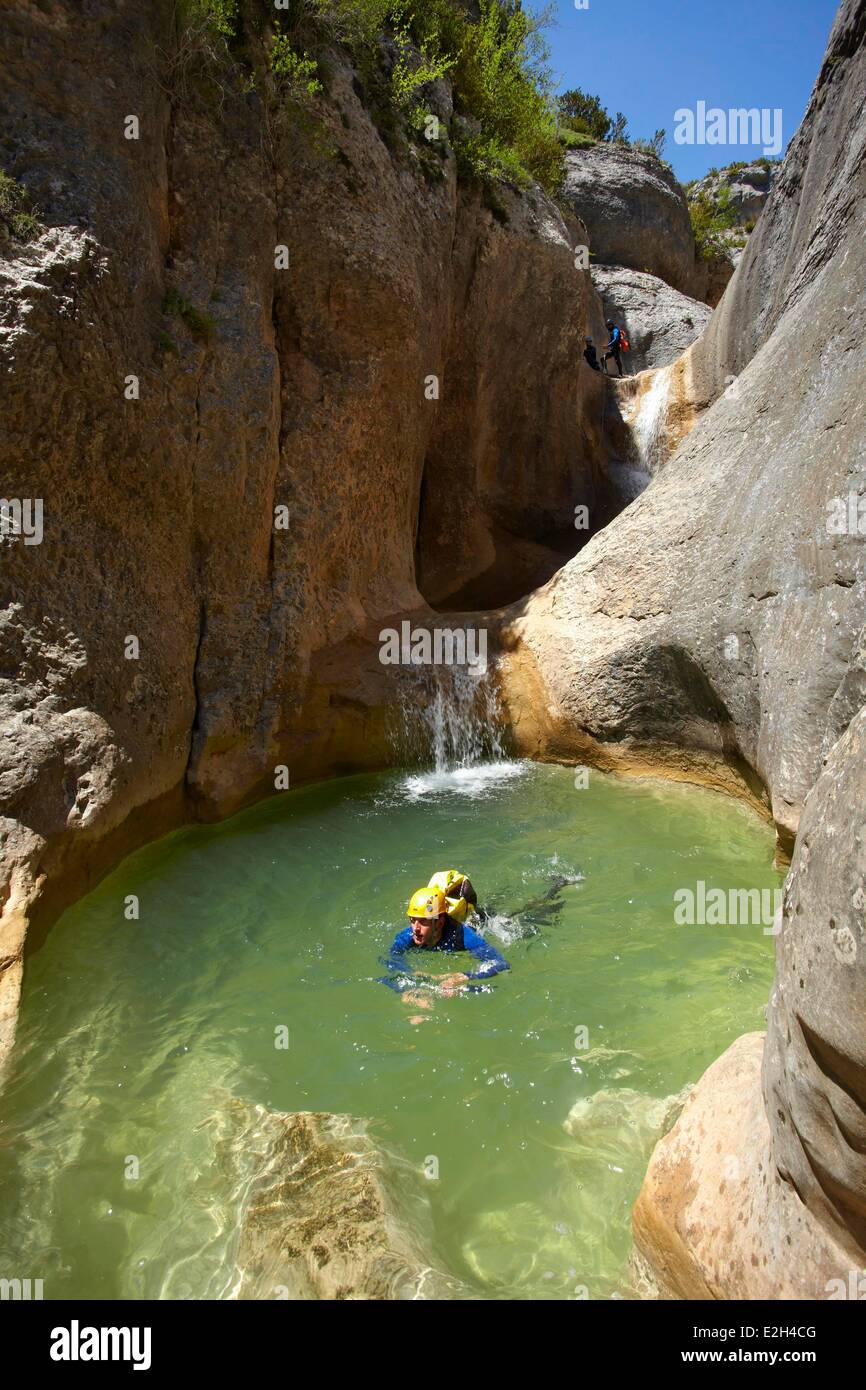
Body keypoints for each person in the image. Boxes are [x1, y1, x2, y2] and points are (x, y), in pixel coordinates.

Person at [379, 886, 509, 1007]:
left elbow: (501, 963)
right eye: (413, 920)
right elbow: (392, 959)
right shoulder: (408, 937)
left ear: (440, 923)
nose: (415, 929)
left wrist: (464, 976)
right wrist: (409, 986)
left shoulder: (464, 937)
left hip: (482, 921)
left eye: (423, 921)